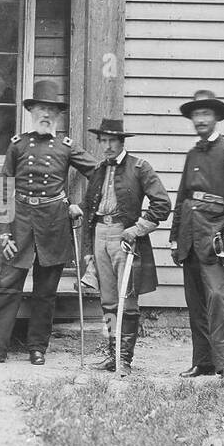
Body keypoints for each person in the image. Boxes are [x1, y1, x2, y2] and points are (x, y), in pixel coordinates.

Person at [0, 79, 96, 366]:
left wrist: (82, 206)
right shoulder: (18, 144)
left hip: (54, 225)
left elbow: (99, 173)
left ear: (57, 115)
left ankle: (37, 348)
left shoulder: (67, 147)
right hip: (20, 224)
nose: (45, 114)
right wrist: (3, 231)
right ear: (31, 111)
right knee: (7, 286)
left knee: (45, 292)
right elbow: (4, 188)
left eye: (50, 109)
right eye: (40, 108)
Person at [169, 89, 224, 385]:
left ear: (216, 118)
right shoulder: (192, 154)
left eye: (206, 114)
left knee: (217, 299)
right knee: (195, 301)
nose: (200, 119)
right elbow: (182, 197)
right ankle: (202, 361)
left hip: (216, 239)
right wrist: (174, 237)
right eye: (196, 114)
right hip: (190, 235)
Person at [79, 116, 172, 376]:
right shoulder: (98, 170)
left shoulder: (139, 168)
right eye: (103, 141)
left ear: (122, 142)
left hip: (124, 237)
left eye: (112, 141)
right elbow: (88, 211)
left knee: (127, 299)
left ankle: (125, 359)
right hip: (100, 235)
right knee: (108, 299)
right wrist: (87, 251)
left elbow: (162, 204)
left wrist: (137, 229)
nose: (107, 146)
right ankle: (112, 354)